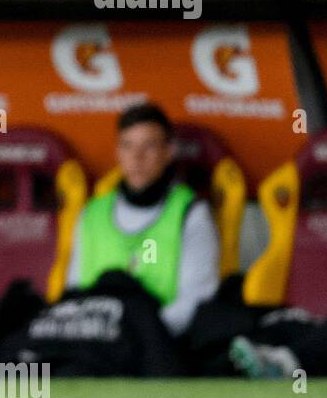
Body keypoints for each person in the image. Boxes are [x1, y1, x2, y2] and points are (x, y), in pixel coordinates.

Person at [66, 102, 220, 337]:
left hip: (160, 340)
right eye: (128, 146)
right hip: (93, 340)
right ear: (118, 152)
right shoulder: (91, 213)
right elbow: (74, 288)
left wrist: (136, 335)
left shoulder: (190, 213)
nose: (137, 157)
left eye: (148, 146)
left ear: (168, 152)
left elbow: (197, 298)